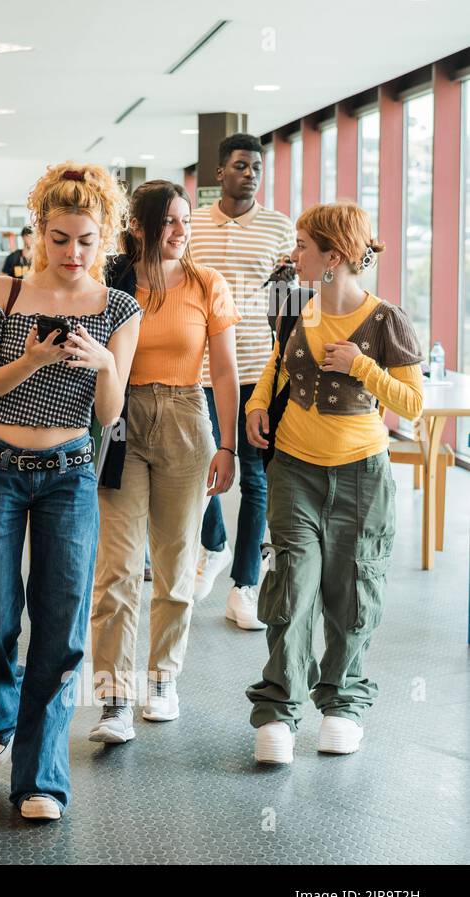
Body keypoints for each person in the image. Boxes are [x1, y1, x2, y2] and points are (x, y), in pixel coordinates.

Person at [0, 162, 140, 820]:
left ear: (105, 239)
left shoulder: (118, 308)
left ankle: (40, 779)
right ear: (38, 233)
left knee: (60, 629)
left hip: (68, 473)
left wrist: (106, 363)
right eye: (60, 238)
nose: (72, 253)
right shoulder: (1, 292)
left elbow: (111, 415)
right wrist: (30, 359)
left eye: (86, 241)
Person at [245, 202, 422, 764]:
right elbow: (278, 362)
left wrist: (361, 367)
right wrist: (255, 403)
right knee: (291, 586)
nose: (294, 256)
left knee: (351, 593)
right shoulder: (296, 305)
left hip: (362, 476)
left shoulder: (387, 320)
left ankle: (343, 704)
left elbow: (413, 408)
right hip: (294, 467)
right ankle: (278, 709)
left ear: (334, 258)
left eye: (303, 247)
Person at [88, 179, 239, 744]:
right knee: (118, 569)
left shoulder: (206, 284)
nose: (181, 231)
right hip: (119, 421)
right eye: (170, 221)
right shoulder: (112, 283)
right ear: (140, 228)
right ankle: (113, 700)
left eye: (185, 221)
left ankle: (162, 680)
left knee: (176, 566)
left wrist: (229, 448)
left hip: (184, 418)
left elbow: (223, 373)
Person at [188, 133, 296, 628]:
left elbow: (293, 303)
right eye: (240, 165)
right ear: (220, 173)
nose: (250, 173)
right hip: (201, 368)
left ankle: (245, 587)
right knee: (196, 466)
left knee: (254, 478)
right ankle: (214, 546)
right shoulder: (191, 227)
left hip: (259, 370)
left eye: (257, 166)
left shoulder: (279, 228)